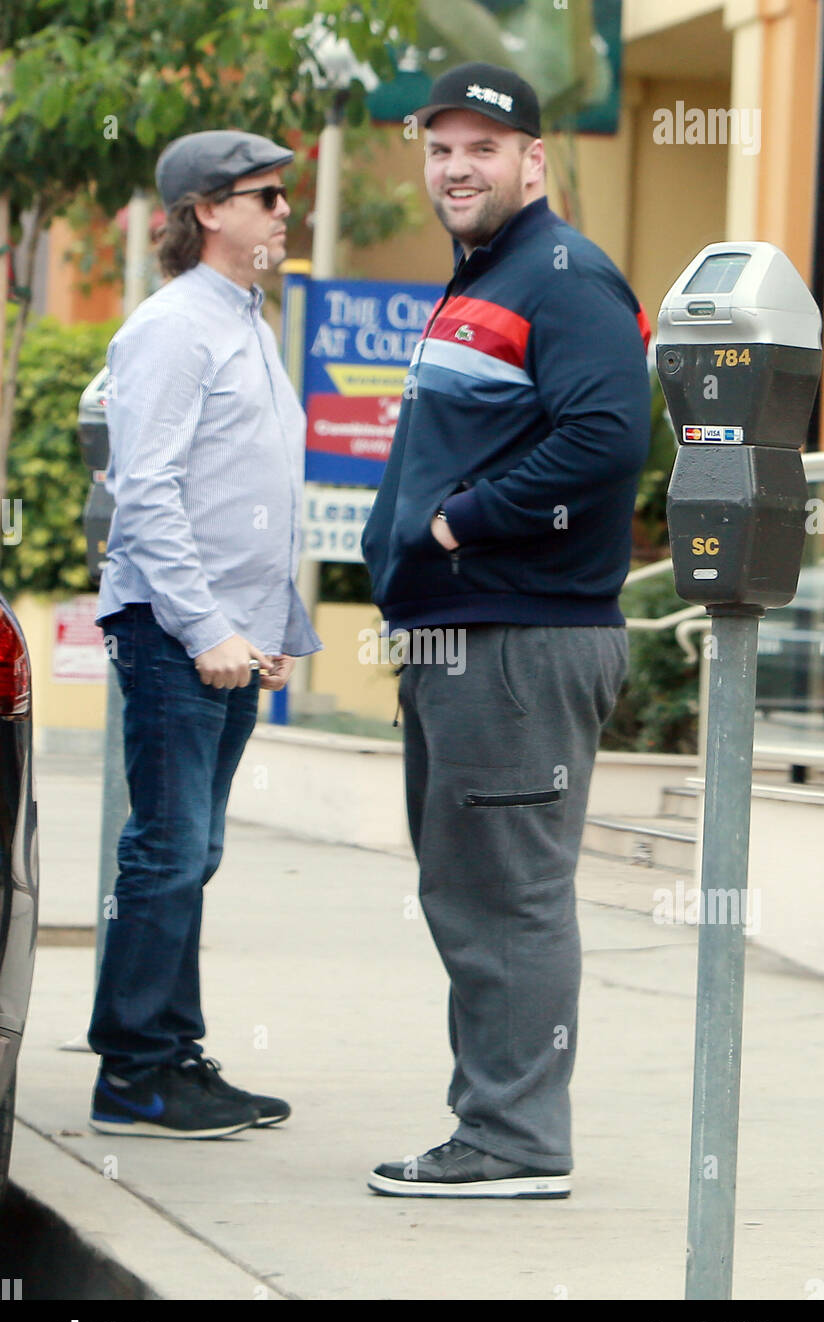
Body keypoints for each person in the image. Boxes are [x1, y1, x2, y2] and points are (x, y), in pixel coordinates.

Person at [361, 64, 651, 1197]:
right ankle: (496, 1125)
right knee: (468, 894)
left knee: (507, 901)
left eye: (483, 146)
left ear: (535, 158)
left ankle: (514, 1142)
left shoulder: (564, 276)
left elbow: (604, 442)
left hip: (518, 639)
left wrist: (452, 522)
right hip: (464, 637)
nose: (456, 167)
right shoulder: (488, 274)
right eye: (440, 147)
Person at [88, 130, 320, 1139]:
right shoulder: (172, 327)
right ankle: (135, 1072)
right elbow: (145, 494)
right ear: (206, 212)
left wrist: (273, 627)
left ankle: (170, 1055)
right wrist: (206, 626)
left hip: (231, 637)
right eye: (264, 196)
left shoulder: (247, 325)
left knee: (195, 847)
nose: (283, 211)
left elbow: (250, 495)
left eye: (282, 196)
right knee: (168, 849)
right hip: (177, 632)